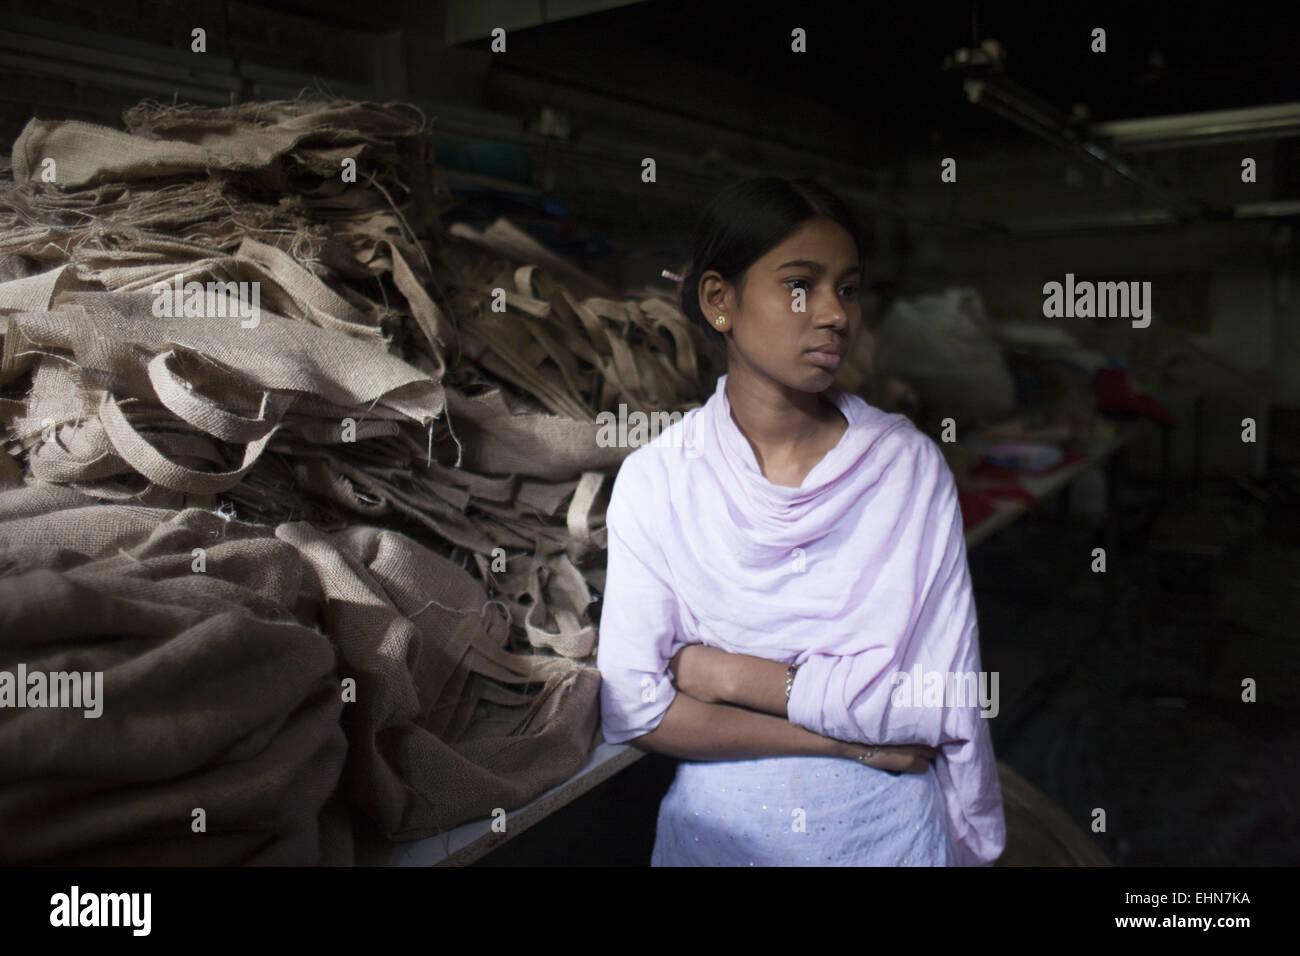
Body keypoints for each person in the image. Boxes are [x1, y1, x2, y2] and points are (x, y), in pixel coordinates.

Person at [596, 177, 1006, 866]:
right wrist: (845, 740)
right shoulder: (660, 479)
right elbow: (636, 707)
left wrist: (734, 679)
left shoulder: (905, 469)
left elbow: (940, 701)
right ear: (719, 301)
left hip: (889, 836)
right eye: (800, 285)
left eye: (847, 289)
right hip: (718, 842)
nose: (835, 315)